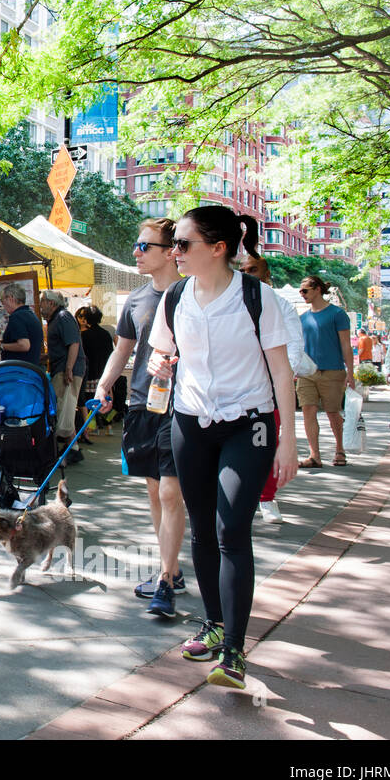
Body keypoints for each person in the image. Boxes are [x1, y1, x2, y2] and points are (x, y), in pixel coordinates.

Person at [147, 205, 298, 690]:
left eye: (184, 244)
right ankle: (212, 623)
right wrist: (160, 367)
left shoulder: (258, 298)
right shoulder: (174, 297)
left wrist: (288, 441)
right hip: (189, 422)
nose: (175, 252)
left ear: (218, 248)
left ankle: (233, 649)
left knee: (232, 526)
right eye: (174, 244)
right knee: (202, 529)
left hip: (248, 425)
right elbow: (161, 352)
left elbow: (280, 372)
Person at [94, 218, 187, 617]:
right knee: (154, 491)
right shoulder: (134, 300)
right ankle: (175, 569)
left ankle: (165, 580)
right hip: (142, 403)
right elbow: (123, 350)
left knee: (170, 492)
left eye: (144, 246)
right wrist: (103, 386)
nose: (135, 251)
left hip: (184, 405)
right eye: (136, 245)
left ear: (171, 252)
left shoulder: (193, 295)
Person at [239, 254, 304, 524]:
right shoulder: (226, 302)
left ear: (266, 275)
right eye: (242, 269)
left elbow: (294, 351)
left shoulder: (281, 306)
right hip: (229, 393)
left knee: (264, 445)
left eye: (252, 269)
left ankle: (266, 498)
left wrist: (277, 377)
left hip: (267, 393)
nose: (246, 273)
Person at [294, 276, 356, 469]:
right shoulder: (302, 318)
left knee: (333, 412)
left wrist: (350, 373)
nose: (302, 294)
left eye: (305, 291)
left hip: (332, 371)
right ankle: (314, 455)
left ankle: (340, 450)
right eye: (300, 291)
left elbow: (346, 345)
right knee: (308, 411)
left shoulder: (337, 314)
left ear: (318, 290)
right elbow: (299, 347)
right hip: (306, 374)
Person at [39, 289, 87, 464]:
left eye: (43, 301)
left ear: (51, 303)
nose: (41, 304)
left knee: (64, 407)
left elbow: (73, 344)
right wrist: (47, 356)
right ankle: (72, 448)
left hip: (68, 369)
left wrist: (69, 368)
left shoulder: (63, 317)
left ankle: (71, 449)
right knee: (63, 407)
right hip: (61, 367)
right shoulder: (55, 319)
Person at [77, 305, 115, 440]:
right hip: (104, 372)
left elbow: (83, 355)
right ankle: (109, 427)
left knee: (89, 401)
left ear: (87, 319)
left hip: (90, 372)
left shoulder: (85, 335)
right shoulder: (105, 334)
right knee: (106, 400)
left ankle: (93, 428)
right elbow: (111, 353)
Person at [0, 284, 42, 366]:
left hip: (18, 371)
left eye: (2, 300)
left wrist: (1, 346)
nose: (2, 305)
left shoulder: (17, 316)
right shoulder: (30, 314)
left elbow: (24, 345)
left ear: (10, 298)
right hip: (29, 369)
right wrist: (3, 334)